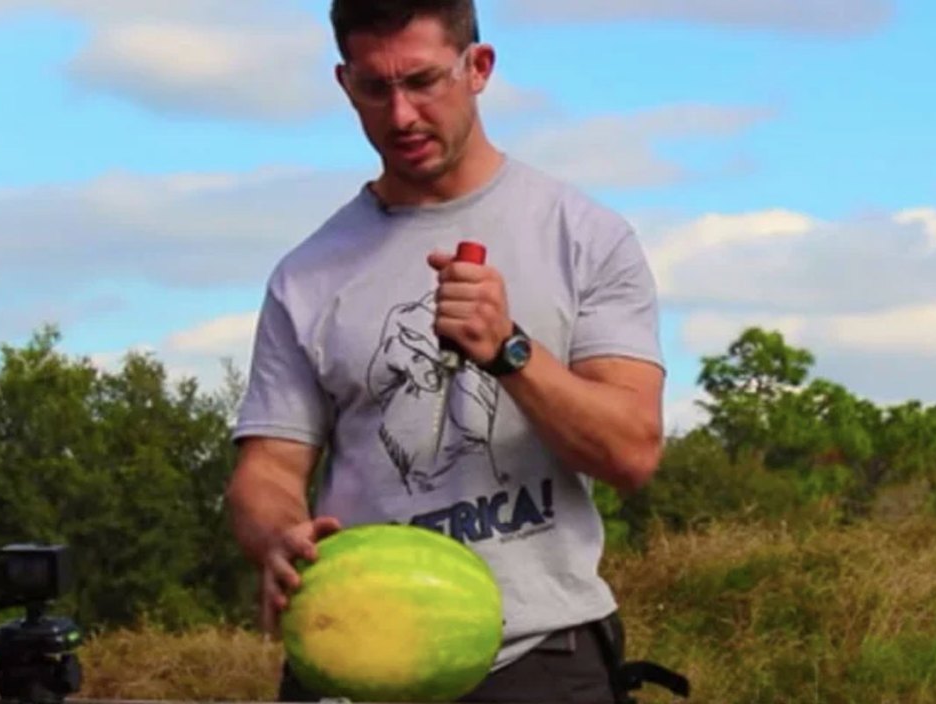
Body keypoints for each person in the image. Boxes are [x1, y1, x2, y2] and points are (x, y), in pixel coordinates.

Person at [226, 1, 669, 702]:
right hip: (354, 658)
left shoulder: (584, 236)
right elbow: (266, 471)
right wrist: (278, 533)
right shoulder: (306, 275)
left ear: (479, 68)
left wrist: (509, 351)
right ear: (345, 84)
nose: (401, 115)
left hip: (538, 655)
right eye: (376, 88)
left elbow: (632, 454)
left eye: (424, 82)